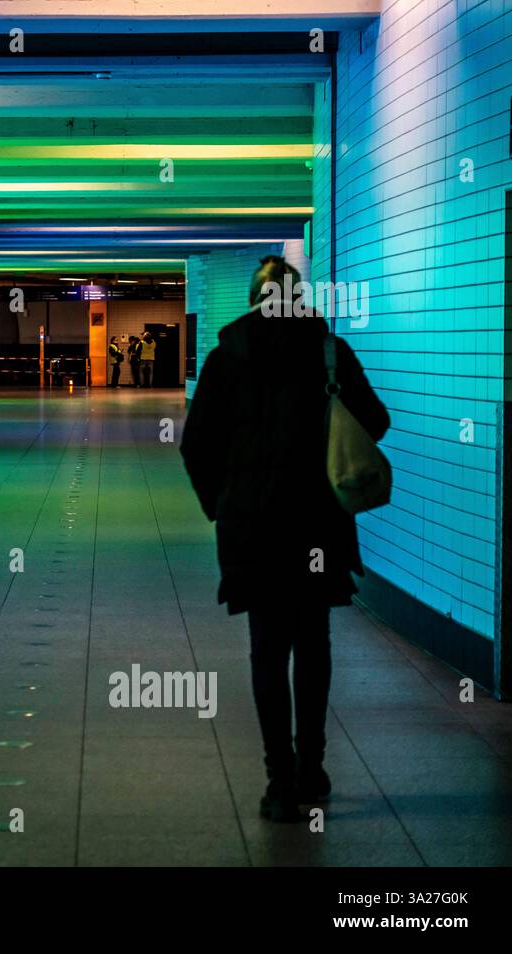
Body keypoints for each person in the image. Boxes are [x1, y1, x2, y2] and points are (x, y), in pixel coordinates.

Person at [179, 255, 390, 823]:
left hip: (253, 531)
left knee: (267, 652)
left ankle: (279, 783)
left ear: (252, 298)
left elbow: (195, 445)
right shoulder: (328, 353)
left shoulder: (227, 358)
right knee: (313, 645)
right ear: (297, 298)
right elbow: (376, 421)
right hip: (316, 526)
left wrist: (221, 506)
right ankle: (312, 770)